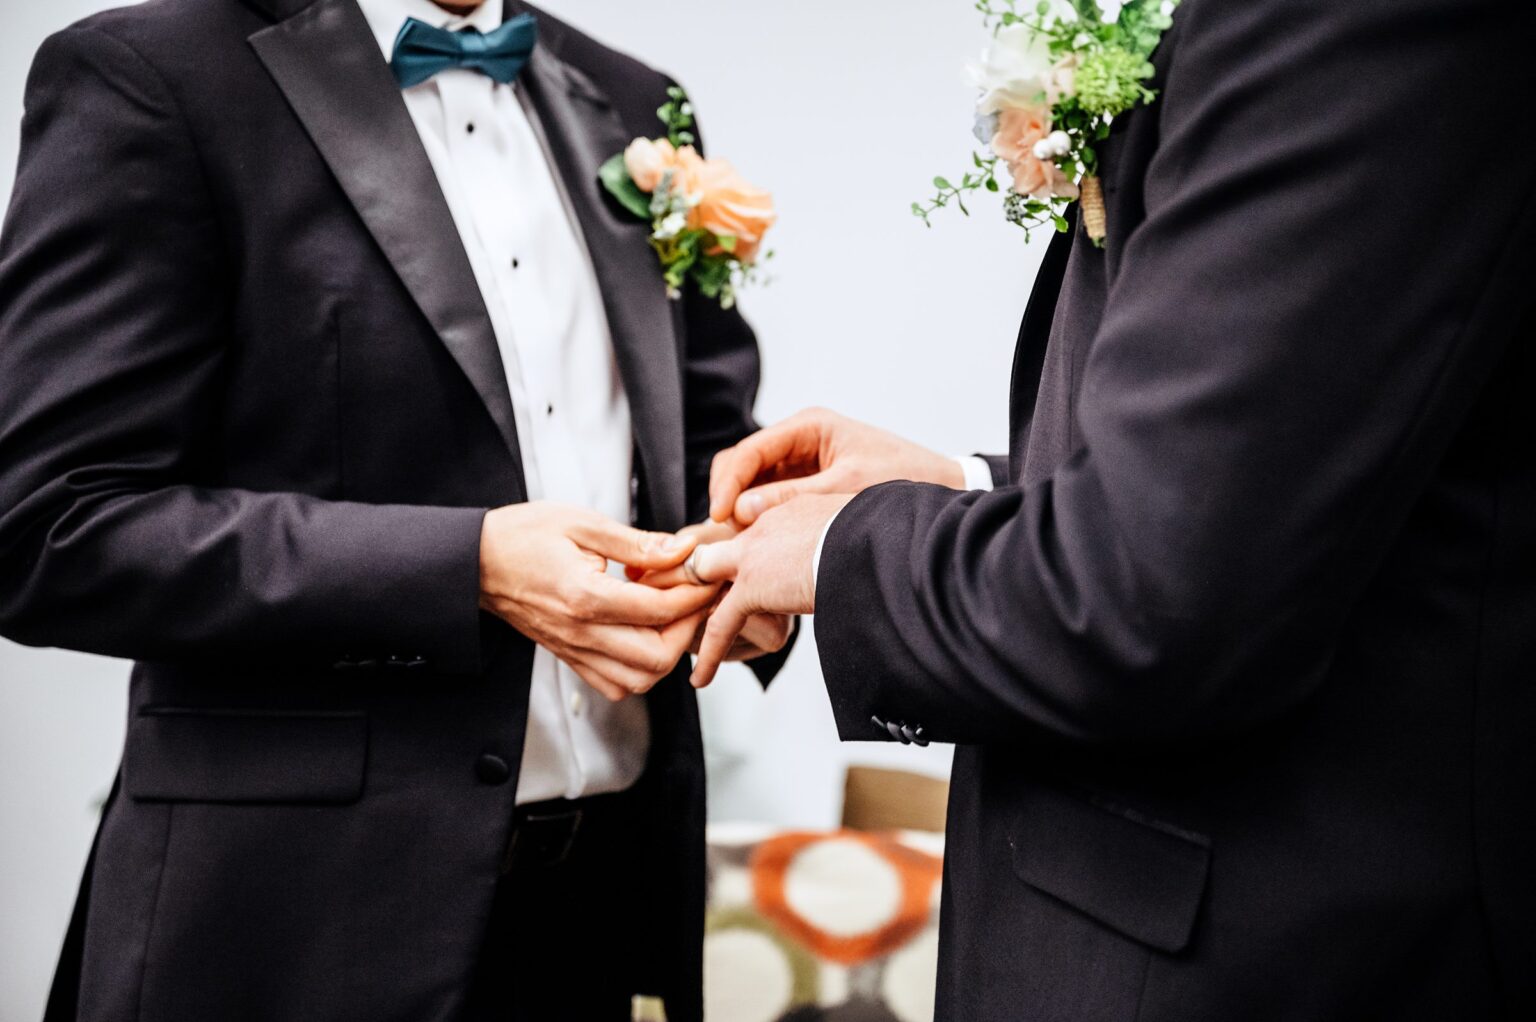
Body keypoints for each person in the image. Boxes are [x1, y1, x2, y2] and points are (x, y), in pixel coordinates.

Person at [681, 0, 1536, 1018]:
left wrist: (839, 549)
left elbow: (1149, 587)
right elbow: (1250, 486)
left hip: (1262, 953)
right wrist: (961, 484)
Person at [0, 1, 789, 1019]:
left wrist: (749, 551)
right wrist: (468, 564)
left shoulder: (637, 99)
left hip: (596, 901)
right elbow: (50, 523)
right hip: (290, 920)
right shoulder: (152, 73)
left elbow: (696, 438)